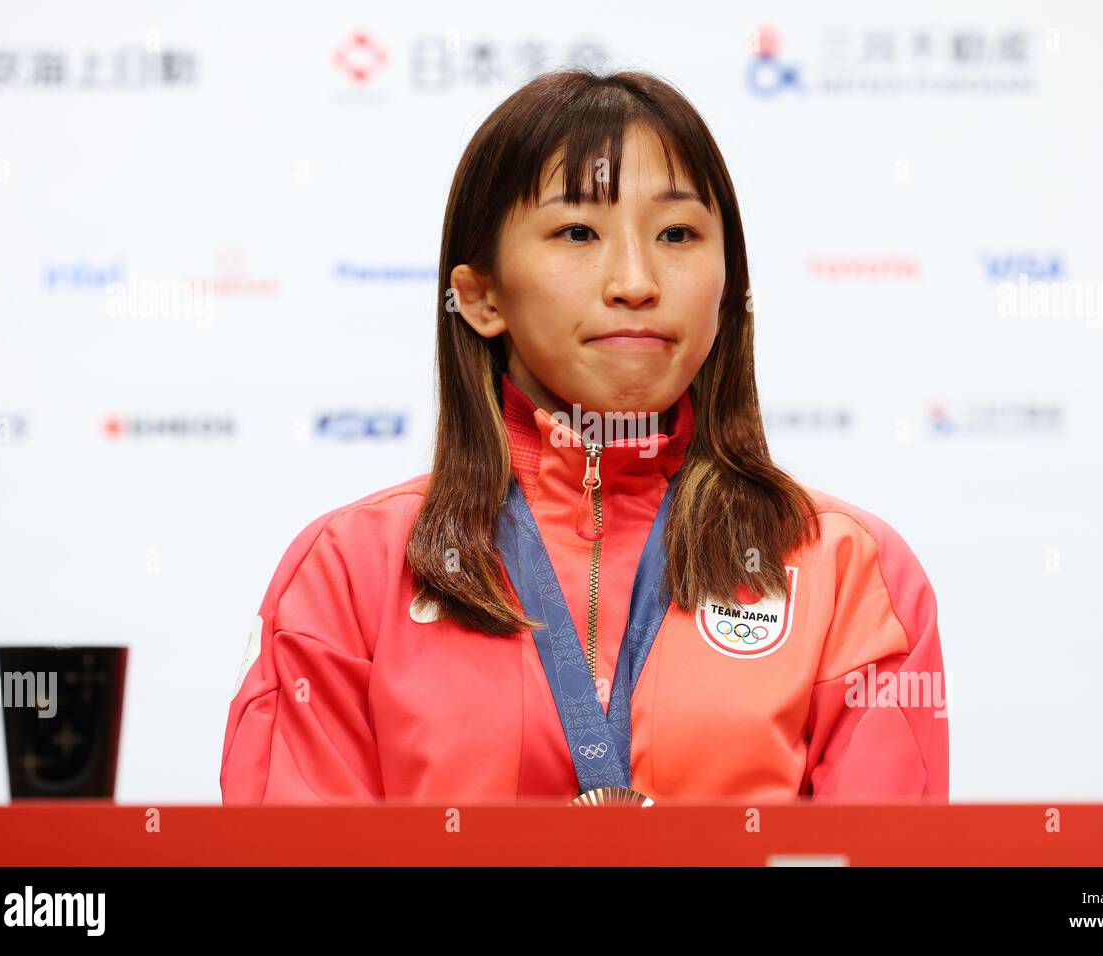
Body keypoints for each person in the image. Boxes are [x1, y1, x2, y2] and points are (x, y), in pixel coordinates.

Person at [220, 68, 948, 805]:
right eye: (577, 232)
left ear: (729, 288)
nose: (635, 281)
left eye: (676, 233)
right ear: (479, 297)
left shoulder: (849, 570)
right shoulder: (352, 570)